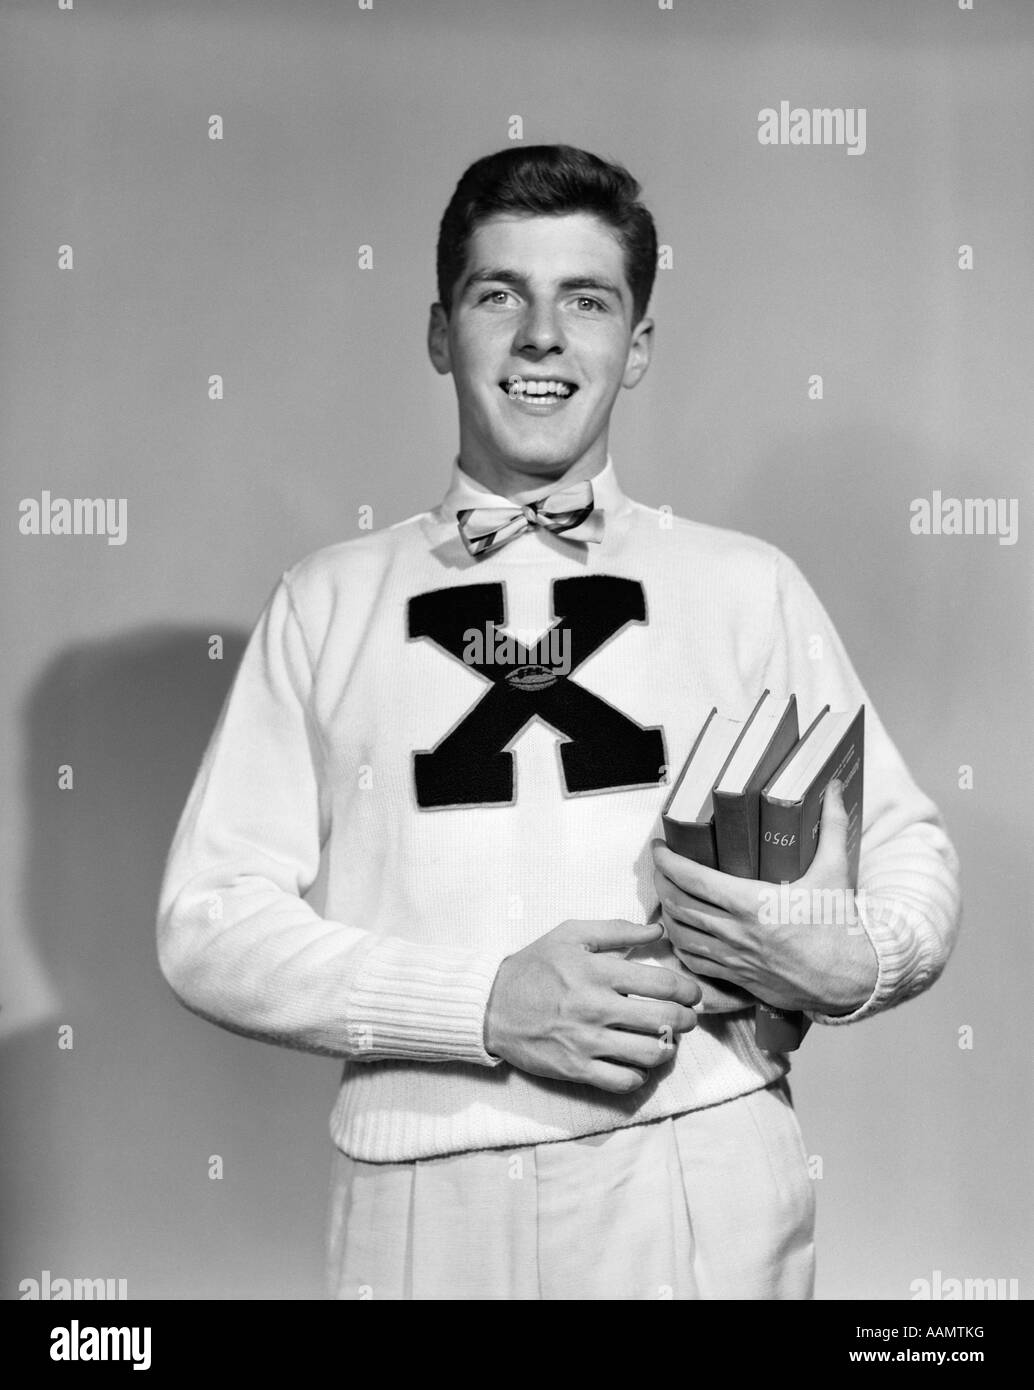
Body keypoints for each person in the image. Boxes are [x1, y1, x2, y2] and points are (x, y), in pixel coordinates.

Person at [156, 144, 961, 1301]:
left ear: (635, 346)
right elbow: (209, 924)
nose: (541, 336)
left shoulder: (745, 585)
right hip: (420, 1192)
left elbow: (905, 850)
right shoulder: (323, 601)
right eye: (500, 295)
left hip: (701, 1160)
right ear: (439, 333)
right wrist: (482, 1005)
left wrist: (852, 961)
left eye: (585, 300)